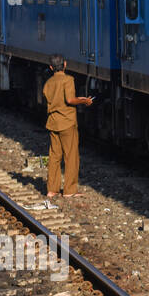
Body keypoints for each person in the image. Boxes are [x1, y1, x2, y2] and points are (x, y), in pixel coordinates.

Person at [43, 54, 94, 198]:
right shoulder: (68, 80)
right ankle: (69, 190)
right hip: (67, 123)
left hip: (53, 122)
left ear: (51, 67)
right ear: (65, 64)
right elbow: (70, 99)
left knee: (54, 156)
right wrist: (84, 101)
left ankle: (52, 190)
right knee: (71, 156)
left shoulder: (48, 83)